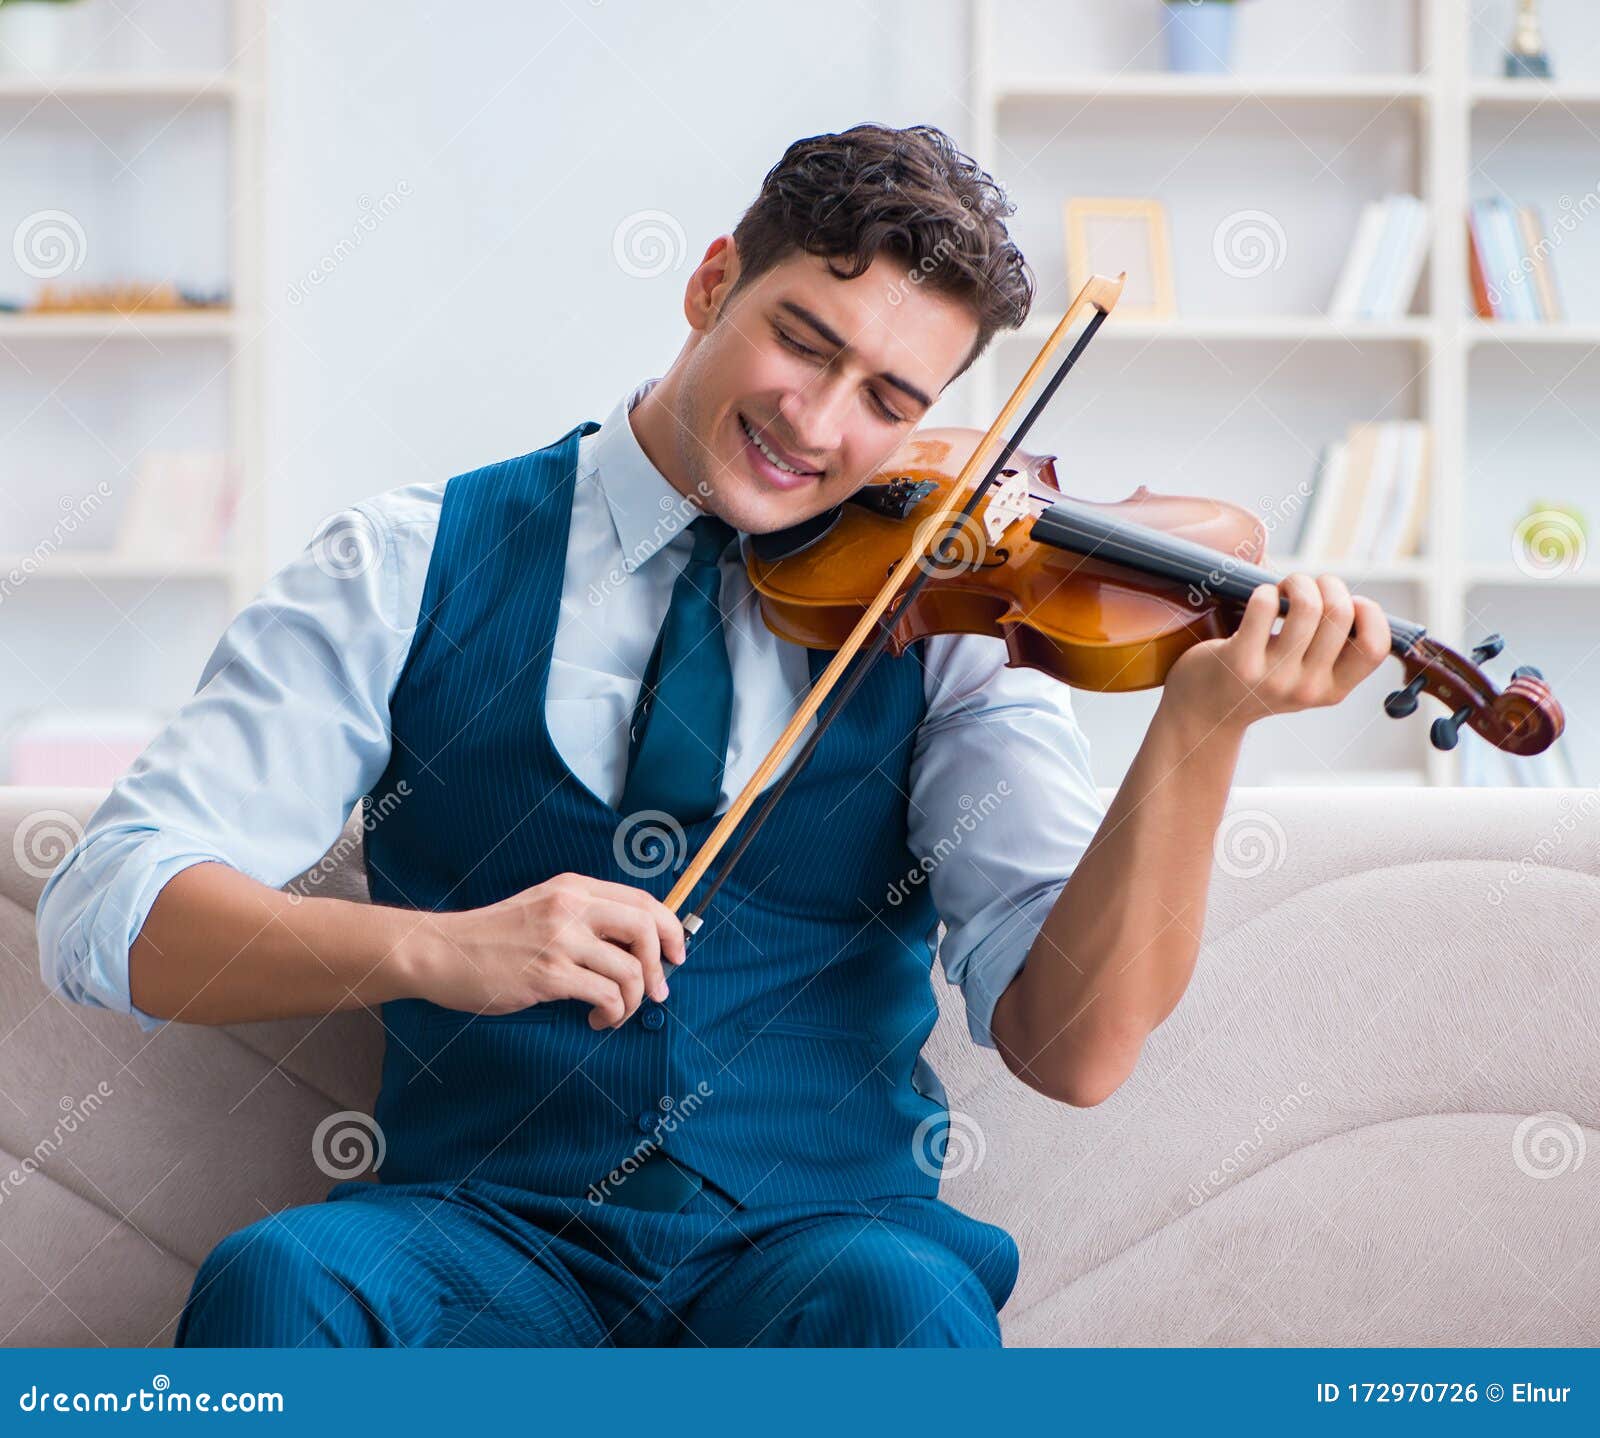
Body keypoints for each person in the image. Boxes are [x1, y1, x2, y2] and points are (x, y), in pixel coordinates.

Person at [35, 122, 1389, 1349]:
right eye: (802, 338)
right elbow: (115, 903)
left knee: (899, 1307)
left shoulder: (957, 604)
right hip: (478, 1233)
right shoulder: (408, 559)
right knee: (283, 1282)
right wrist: (440, 950)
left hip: (815, 1244)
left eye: (890, 399)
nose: (819, 421)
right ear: (708, 284)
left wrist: (1200, 729)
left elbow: (1073, 1048)